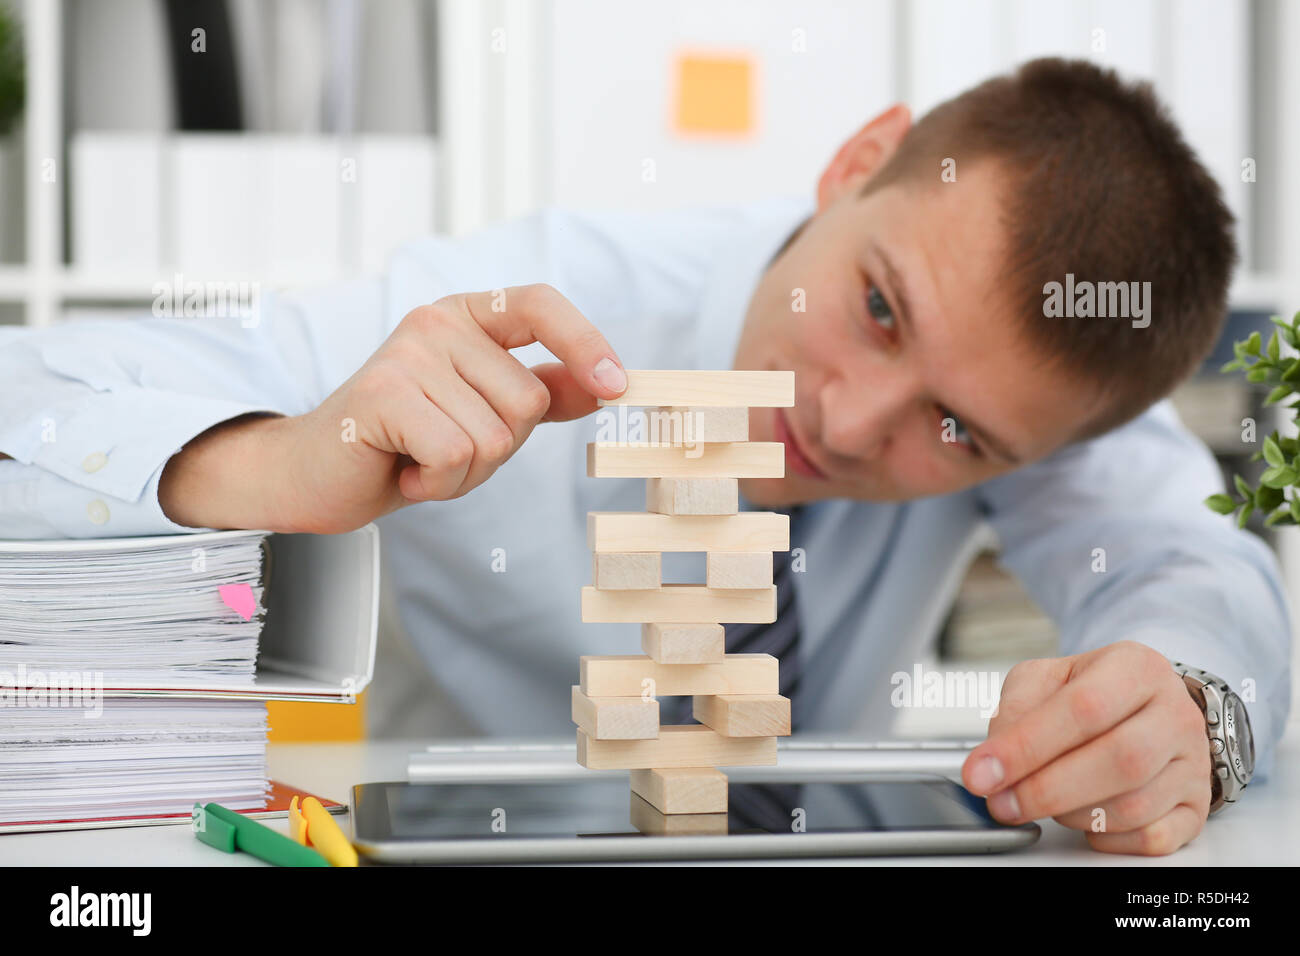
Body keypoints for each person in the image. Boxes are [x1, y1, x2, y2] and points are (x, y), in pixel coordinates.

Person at [0, 58, 1289, 855]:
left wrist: (1189, 709)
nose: (848, 423)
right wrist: (279, 462)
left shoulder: (1048, 394)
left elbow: (1194, 561)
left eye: (959, 431)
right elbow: (29, 397)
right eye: (879, 307)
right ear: (855, 164)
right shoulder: (528, 296)